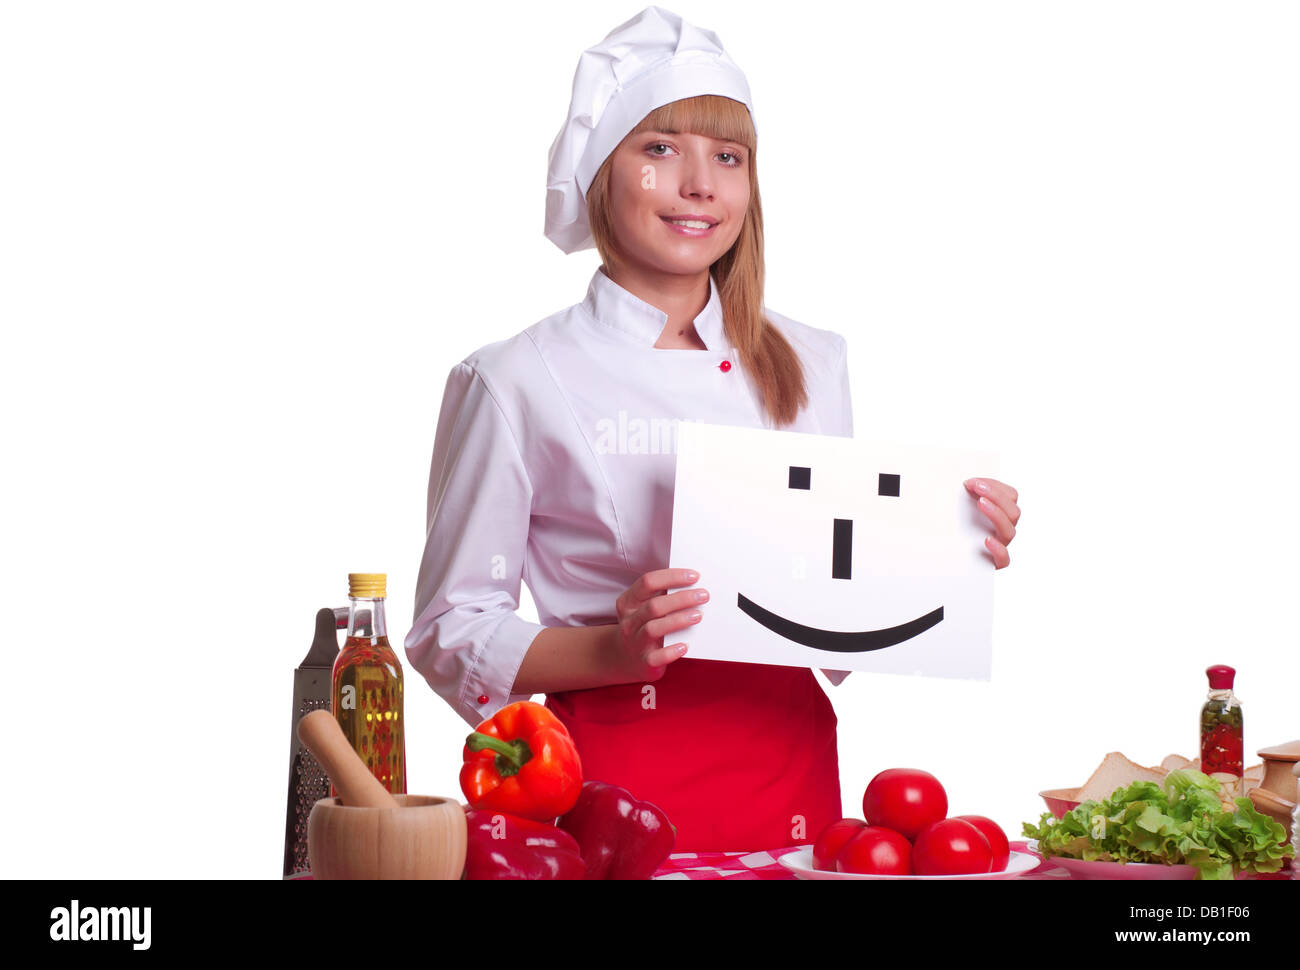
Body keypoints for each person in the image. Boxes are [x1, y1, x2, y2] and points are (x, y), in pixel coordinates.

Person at [404, 6, 1020, 853]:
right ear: (598, 174)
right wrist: (616, 650)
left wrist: (947, 548)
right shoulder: (514, 379)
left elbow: (827, 594)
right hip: (608, 780)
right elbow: (451, 628)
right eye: (659, 150)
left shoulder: (814, 360)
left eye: (728, 158)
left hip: (791, 767)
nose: (702, 185)